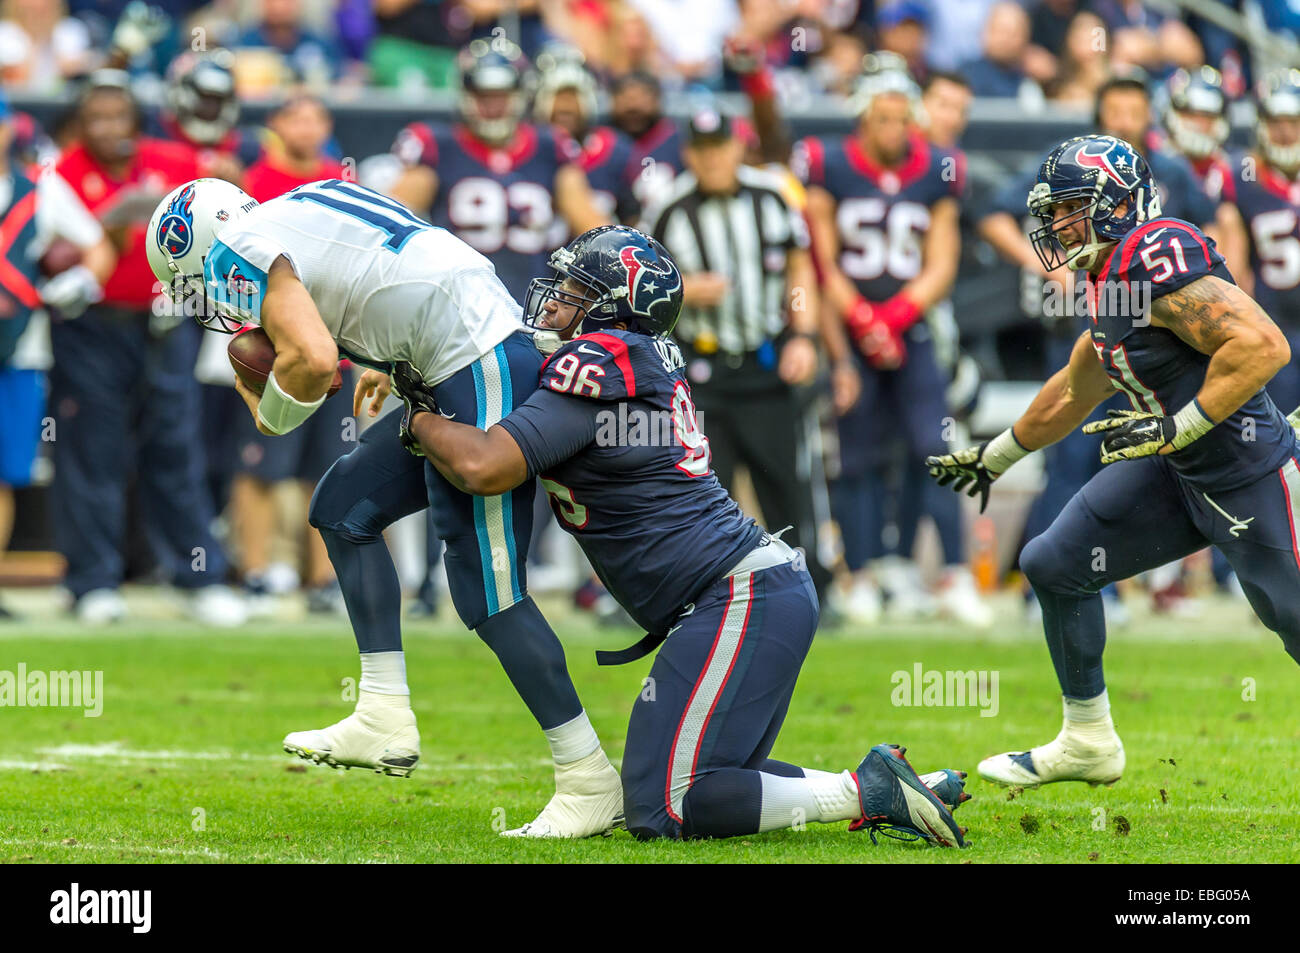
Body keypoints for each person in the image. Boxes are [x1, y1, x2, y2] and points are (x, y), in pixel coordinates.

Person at [403, 223, 969, 846]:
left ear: (611, 305)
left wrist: (421, 419)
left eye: (574, 287)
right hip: (742, 594)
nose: (555, 298)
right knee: (689, 783)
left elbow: (486, 465)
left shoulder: (602, 363)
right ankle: (888, 788)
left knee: (664, 808)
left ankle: (868, 791)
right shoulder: (630, 361)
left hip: (737, 595)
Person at [146, 176, 623, 839]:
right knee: (343, 506)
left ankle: (588, 777)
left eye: (195, 280)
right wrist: (390, 354)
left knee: (489, 591)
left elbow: (311, 364)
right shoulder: (292, 208)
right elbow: (391, 262)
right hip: (452, 352)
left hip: (472, 355)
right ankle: (382, 712)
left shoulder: (240, 244)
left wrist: (269, 410)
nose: (210, 297)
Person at [928, 135, 1300, 788]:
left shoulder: (1155, 253)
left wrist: (1179, 424)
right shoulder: (1106, 276)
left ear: (1117, 203)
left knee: (1293, 619)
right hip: (1179, 470)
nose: (1058, 224)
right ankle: (1088, 739)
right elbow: (1079, 385)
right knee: (1054, 562)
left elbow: (1263, 345)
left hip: (1248, 473)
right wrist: (996, 456)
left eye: (1071, 208)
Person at [796, 54, 990, 627]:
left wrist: (896, 314)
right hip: (852, 329)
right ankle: (858, 574)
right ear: (861, 115)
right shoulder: (828, 163)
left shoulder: (939, 167)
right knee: (854, 456)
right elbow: (821, 256)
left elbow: (943, 259)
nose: (893, 128)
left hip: (914, 330)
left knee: (936, 447)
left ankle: (953, 574)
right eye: (882, 116)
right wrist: (862, 320)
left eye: (901, 117)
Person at [52, 70, 245, 626]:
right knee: (94, 451)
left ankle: (198, 577)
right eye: (97, 118)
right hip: (91, 327)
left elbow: (225, 203)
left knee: (175, 448)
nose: (109, 127)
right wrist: (112, 223)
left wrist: (227, 183)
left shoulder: (175, 163)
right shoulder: (64, 175)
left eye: (118, 116)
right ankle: (92, 580)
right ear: (81, 126)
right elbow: (58, 255)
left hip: (166, 322)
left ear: (137, 121)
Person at [640, 106, 829, 601]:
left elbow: (799, 271)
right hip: (700, 371)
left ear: (737, 146)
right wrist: (680, 292)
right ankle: (701, 591)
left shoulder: (772, 196)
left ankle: (811, 589)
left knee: (785, 484)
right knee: (700, 490)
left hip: (765, 362)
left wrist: (803, 336)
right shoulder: (667, 207)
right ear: (688, 155)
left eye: (720, 147)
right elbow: (637, 288)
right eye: (701, 150)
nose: (712, 159)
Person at [388, 38, 605, 304]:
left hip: (534, 301)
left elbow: (591, 226)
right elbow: (392, 221)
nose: (493, 107)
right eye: (484, 96)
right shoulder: (436, 144)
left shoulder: (551, 145)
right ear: (466, 95)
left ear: (520, 94)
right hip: (458, 301)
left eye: (501, 96)